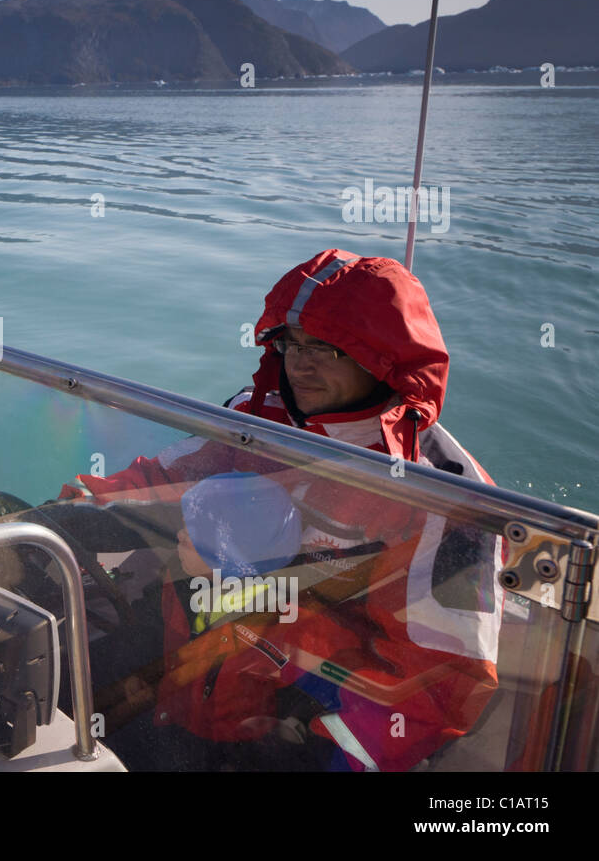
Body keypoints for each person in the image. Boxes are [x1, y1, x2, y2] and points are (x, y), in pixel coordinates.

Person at [45, 248, 506, 770]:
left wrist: (323, 760)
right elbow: (158, 481)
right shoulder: (254, 419)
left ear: (383, 360)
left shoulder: (443, 496)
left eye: (329, 349)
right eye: (292, 344)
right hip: (187, 672)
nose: (302, 363)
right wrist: (64, 519)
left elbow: (440, 682)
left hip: (288, 724)